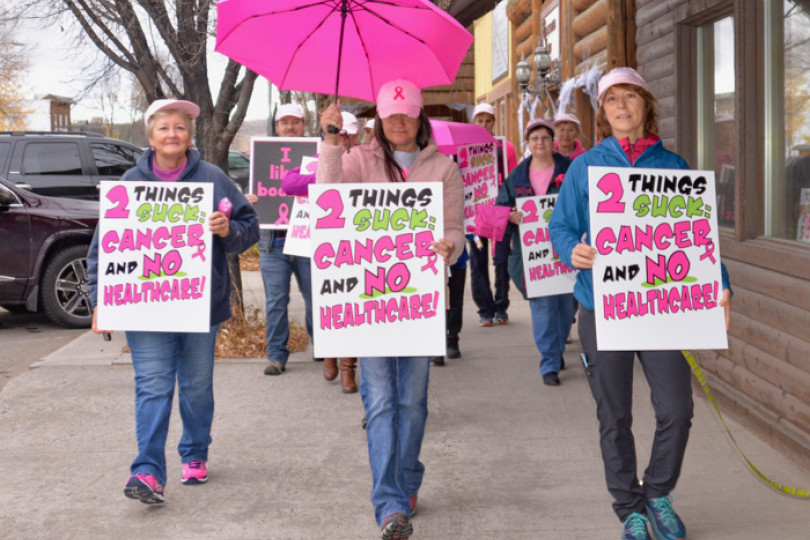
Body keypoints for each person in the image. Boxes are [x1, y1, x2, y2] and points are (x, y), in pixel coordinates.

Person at [548, 67, 732, 540]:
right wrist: (572, 250)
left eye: (630, 97)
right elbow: (561, 226)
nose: (621, 106)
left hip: (661, 310)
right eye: (612, 99)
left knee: (677, 409)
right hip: (602, 306)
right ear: (603, 112)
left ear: (645, 106)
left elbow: (698, 238)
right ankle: (628, 506)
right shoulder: (585, 167)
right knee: (614, 414)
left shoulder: (674, 166)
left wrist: (721, 284)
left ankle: (658, 492)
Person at [86, 99, 260, 504]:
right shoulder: (130, 183)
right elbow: (103, 247)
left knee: (196, 386)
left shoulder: (214, 179)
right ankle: (147, 470)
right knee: (152, 385)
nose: (172, 134)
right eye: (163, 127)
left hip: (200, 307)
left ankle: (195, 452)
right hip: (144, 307)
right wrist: (100, 300)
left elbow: (248, 228)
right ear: (150, 137)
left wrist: (227, 229)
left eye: (180, 127)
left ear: (189, 136)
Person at [317, 78, 464, 540]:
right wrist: (330, 142)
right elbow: (329, 203)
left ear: (420, 117)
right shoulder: (358, 159)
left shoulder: (444, 169)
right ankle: (390, 503)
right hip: (369, 303)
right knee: (380, 400)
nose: (399, 122)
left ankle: (407, 474)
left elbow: (456, 229)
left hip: (419, 303)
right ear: (379, 119)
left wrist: (449, 247)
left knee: (412, 402)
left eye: (408, 113)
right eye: (390, 114)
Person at [280, 110, 360, 393]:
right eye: (337, 132)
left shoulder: (365, 160)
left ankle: (348, 367)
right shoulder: (317, 159)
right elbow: (289, 184)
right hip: (321, 244)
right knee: (326, 302)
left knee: (352, 305)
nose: (343, 139)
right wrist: (325, 175)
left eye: (348, 134)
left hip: (356, 244)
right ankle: (329, 354)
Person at [495, 118, 574, 387]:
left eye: (545, 138)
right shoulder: (517, 176)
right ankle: (549, 363)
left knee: (566, 308)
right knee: (543, 308)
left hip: (567, 250)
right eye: (534, 138)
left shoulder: (571, 169)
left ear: (553, 141)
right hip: (534, 255)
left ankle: (558, 350)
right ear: (527, 143)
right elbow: (501, 208)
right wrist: (511, 215)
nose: (540, 143)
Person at [257, 103, 316, 376]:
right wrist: (250, 200)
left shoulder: (317, 155)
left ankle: (322, 346)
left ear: (304, 125)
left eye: (296, 122)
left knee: (315, 297)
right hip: (274, 243)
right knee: (276, 302)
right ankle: (276, 355)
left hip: (309, 240)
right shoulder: (263, 156)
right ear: (276, 127)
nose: (290, 127)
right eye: (285, 122)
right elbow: (257, 191)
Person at [468, 102, 516, 326]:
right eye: (480, 120)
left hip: (499, 214)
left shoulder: (506, 148)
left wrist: (511, 206)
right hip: (475, 216)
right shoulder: (464, 148)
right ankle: (485, 310)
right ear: (473, 122)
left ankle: (501, 306)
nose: (484, 124)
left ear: (494, 122)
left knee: (501, 261)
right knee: (478, 261)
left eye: (488, 120)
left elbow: (513, 178)